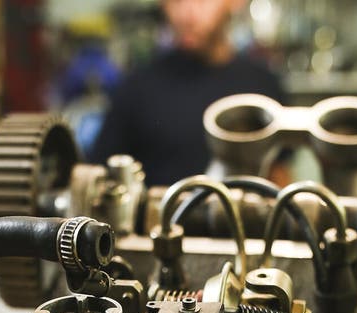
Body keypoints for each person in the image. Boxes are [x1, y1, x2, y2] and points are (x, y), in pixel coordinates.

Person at [88, 0, 288, 186]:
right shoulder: (136, 89)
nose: (186, 14)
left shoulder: (262, 85)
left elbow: (278, 173)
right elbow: (98, 177)